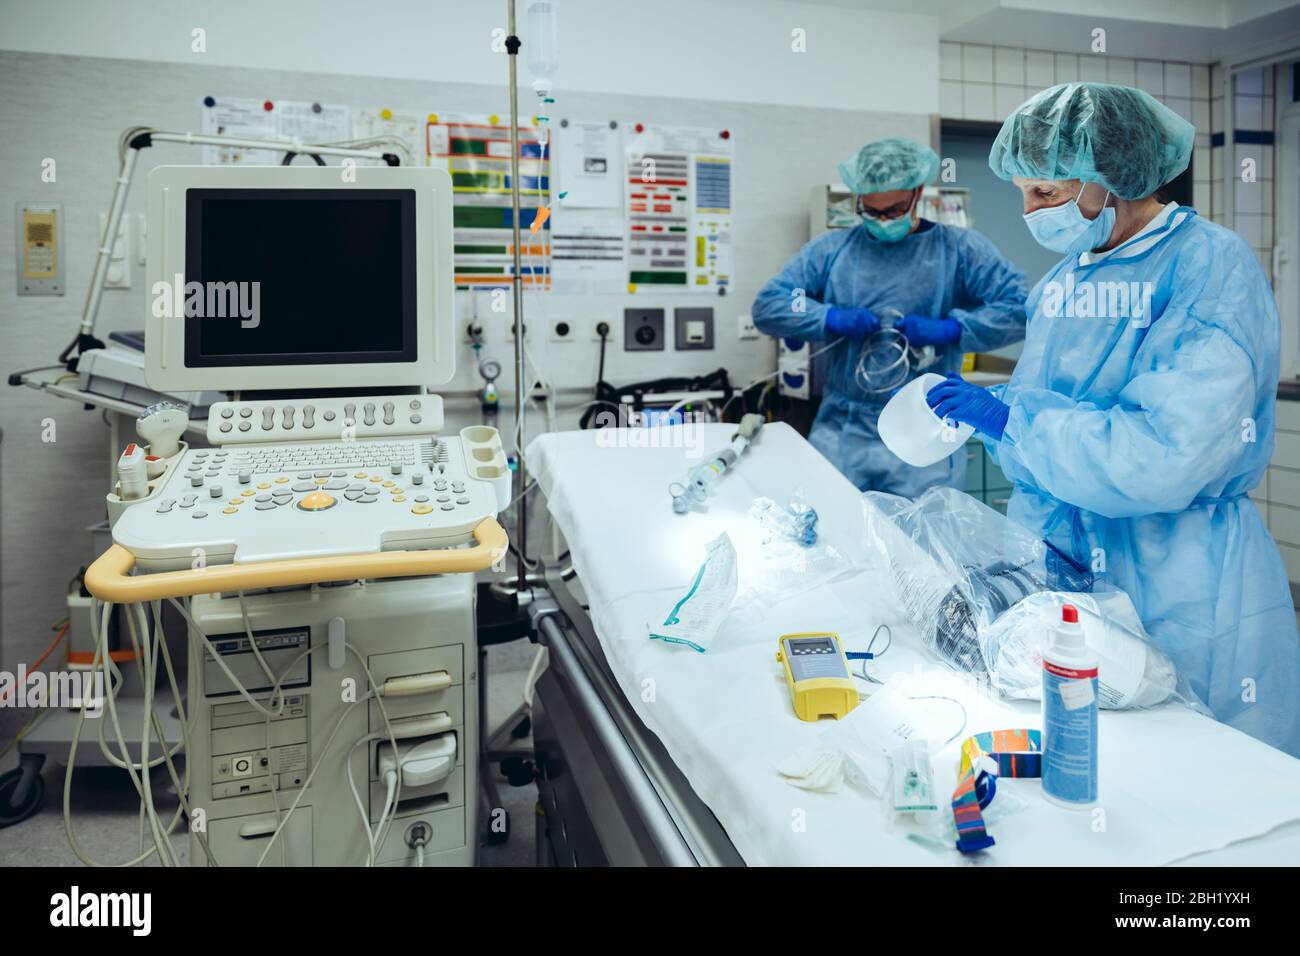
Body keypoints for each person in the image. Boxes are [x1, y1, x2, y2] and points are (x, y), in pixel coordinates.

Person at [928, 83, 1300, 756]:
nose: (1031, 212)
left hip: (1172, 573)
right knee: (1086, 766)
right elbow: (1045, 421)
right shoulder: (1066, 280)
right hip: (1058, 559)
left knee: (1196, 773)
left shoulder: (1209, 265)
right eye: (1023, 194)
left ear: (1111, 180)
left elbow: (1163, 456)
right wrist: (1003, 419)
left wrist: (1016, 424)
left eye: (1045, 193)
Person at [752, 138, 1028, 496]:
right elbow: (771, 304)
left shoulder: (959, 250)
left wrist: (954, 328)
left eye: (895, 210)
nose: (883, 221)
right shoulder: (832, 250)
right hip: (843, 431)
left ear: (917, 193)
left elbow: (1019, 307)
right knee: (833, 531)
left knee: (922, 541)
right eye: (872, 212)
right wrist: (829, 318)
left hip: (924, 426)